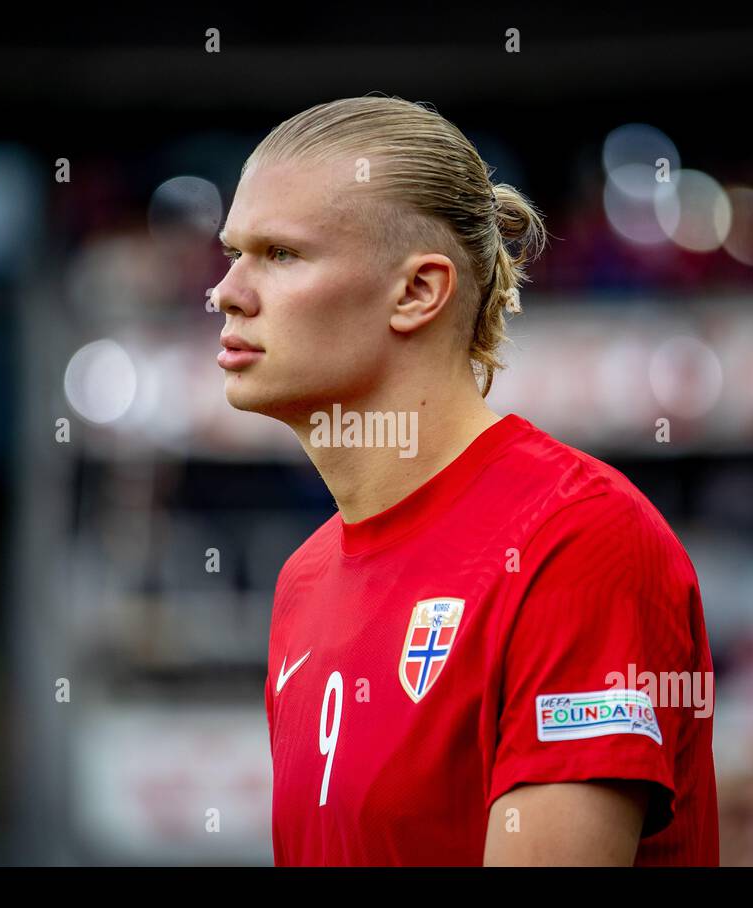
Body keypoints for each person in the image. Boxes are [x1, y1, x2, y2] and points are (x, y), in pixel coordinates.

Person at [212, 94, 718, 865]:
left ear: (418, 291)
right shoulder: (303, 581)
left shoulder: (578, 540)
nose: (227, 291)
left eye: (280, 255)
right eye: (232, 253)